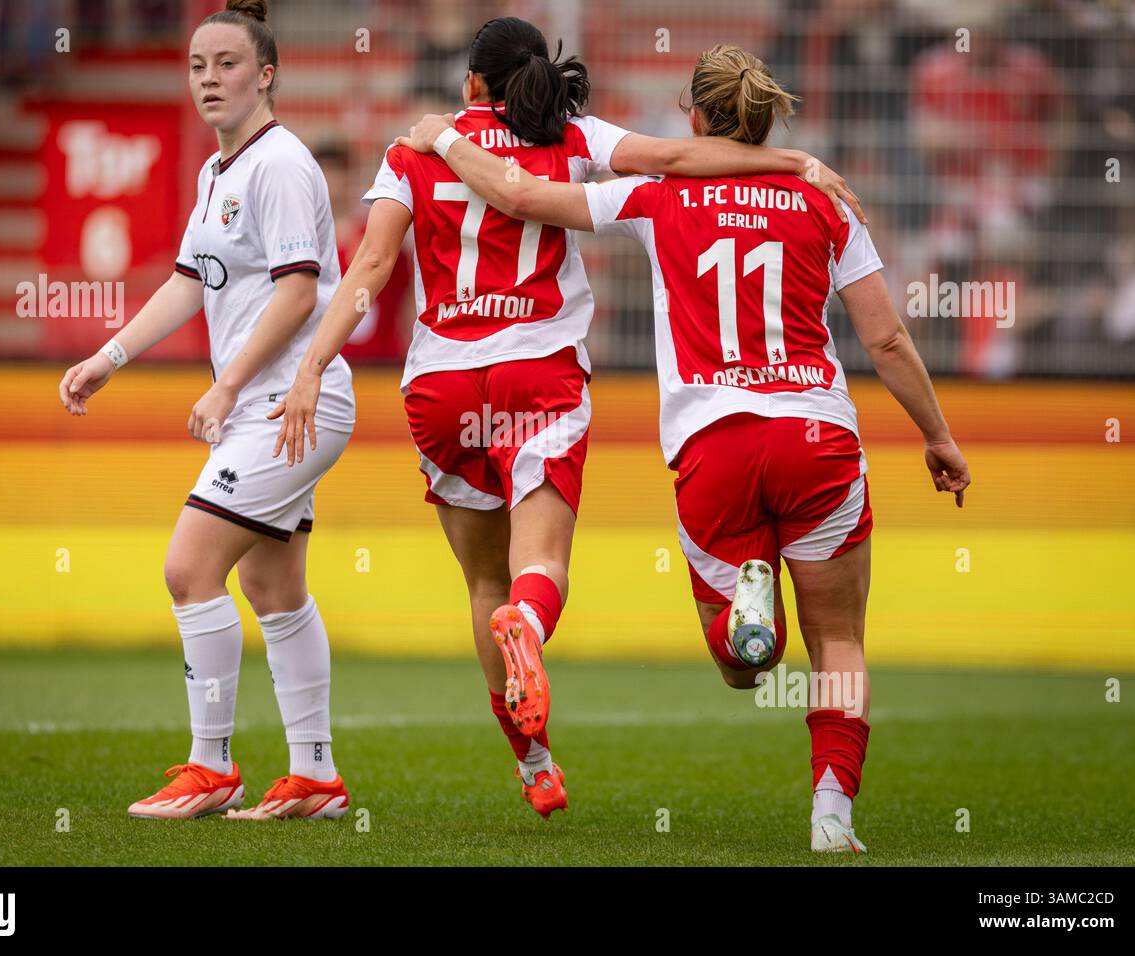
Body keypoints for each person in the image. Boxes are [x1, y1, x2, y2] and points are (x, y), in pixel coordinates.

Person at [269, 17, 862, 820]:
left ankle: (534, 761)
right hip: (538, 374)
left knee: (483, 580)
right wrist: (792, 160)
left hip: (443, 387)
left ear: (471, 82)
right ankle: (530, 622)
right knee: (537, 566)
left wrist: (311, 366)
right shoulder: (570, 134)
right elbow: (677, 159)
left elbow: (370, 266)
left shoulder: (414, 150)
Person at [396, 41, 970, 851]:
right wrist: (937, 436)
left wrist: (445, 139)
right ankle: (831, 814)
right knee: (839, 639)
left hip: (713, 443)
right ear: (765, 120)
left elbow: (519, 194)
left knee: (742, 669)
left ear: (694, 118)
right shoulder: (825, 198)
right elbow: (887, 340)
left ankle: (746, 616)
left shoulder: (655, 197)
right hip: (816, 435)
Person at [57, 0, 354, 822]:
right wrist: (108, 358)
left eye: (227, 64)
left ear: (267, 75)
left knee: (188, 569)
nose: (209, 80)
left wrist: (227, 387)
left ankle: (211, 765)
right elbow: (189, 283)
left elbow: (299, 293)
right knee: (272, 584)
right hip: (272, 407)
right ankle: (316, 777)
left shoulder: (281, 163)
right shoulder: (219, 171)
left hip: (291, 403)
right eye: (197, 66)